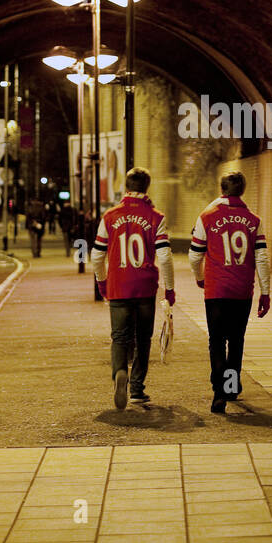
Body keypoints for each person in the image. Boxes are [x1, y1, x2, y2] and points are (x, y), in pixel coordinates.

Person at [91, 167, 175, 409]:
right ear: (147, 187)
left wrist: (102, 281)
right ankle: (137, 389)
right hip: (145, 288)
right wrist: (169, 289)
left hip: (118, 286)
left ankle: (120, 373)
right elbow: (166, 257)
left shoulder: (109, 216)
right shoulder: (156, 217)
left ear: (126, 187)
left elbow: (97, 256)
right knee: (143, 338)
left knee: (119, 337)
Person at [190, 171, 271, 414]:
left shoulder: (206, 217)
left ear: (221, 189)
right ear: (243, 190)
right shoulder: (254, 219)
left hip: (215, 289)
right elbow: (262, 257)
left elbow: (195, 255)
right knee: (236, 340)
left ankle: (219, 391)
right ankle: (231, 386)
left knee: (216, 340)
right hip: (241, 290)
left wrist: (200, 278)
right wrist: (265, 292)